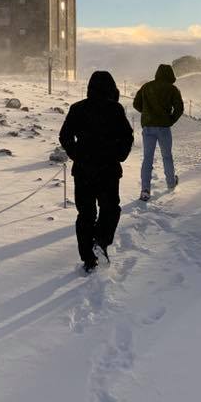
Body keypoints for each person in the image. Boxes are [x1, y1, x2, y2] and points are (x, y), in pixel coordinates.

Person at [59, 71, 134, 274]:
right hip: (109, 169)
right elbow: (127, 137)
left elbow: (65, 135)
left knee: (86, 214)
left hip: (83, 170)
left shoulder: (78, 108)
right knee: (110, 209)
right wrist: (119, 155)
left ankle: (89, 259)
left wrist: (76, 154)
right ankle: (101, 242)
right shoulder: (115, 109)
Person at [132, 64, 185, 201]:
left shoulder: (147, 86)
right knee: (167, 156)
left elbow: (136, 103)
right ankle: (171, 182)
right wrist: (170, 120)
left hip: (148, 127)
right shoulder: (172, 89)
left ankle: (145, 190)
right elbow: (179, 108)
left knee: (147, 158)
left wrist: (147, 113)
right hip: (163, 127)